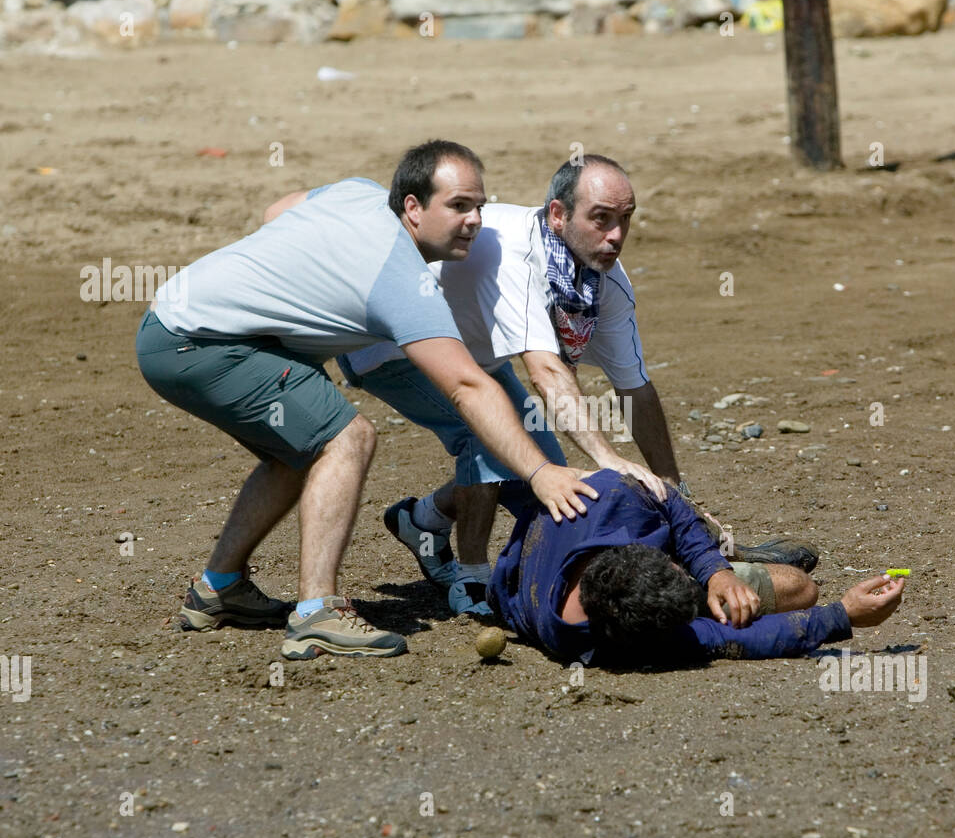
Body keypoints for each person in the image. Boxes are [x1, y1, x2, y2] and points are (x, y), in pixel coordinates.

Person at [136, 140, 598, 661]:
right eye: (459, 206)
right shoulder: (401, 281)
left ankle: (219, 588)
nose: (473, 221)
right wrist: (540, 473)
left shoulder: (359, 192)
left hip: (174, 325)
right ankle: (317, 613)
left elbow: (278, 210)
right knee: (346, 438)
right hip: (201, 342)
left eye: (479, 207)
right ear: (413, 207)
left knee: (295, 451)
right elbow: (467, 386)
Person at [333, 155, 681, 617]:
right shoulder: (510, 252)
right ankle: (472, 579)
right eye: (601, 218)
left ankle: (422, 519)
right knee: (488, 435)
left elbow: (635, 388)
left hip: (471, 356)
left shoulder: (605, 280)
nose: (616, 235)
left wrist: (674, 493)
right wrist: (609, 459)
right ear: (558, 214)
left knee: (543, 469)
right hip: (388, 349)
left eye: (625, 219)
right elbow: (546, 372)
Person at [487, 469, 906, 667]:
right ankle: (731, 555)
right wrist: (842, 615)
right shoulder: (614, 643)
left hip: (559, 541)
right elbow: (726, 638)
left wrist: (712, 571)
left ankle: (723, 554)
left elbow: (667, 499)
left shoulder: (607, 497)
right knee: (800, 588)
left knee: (777, 582)